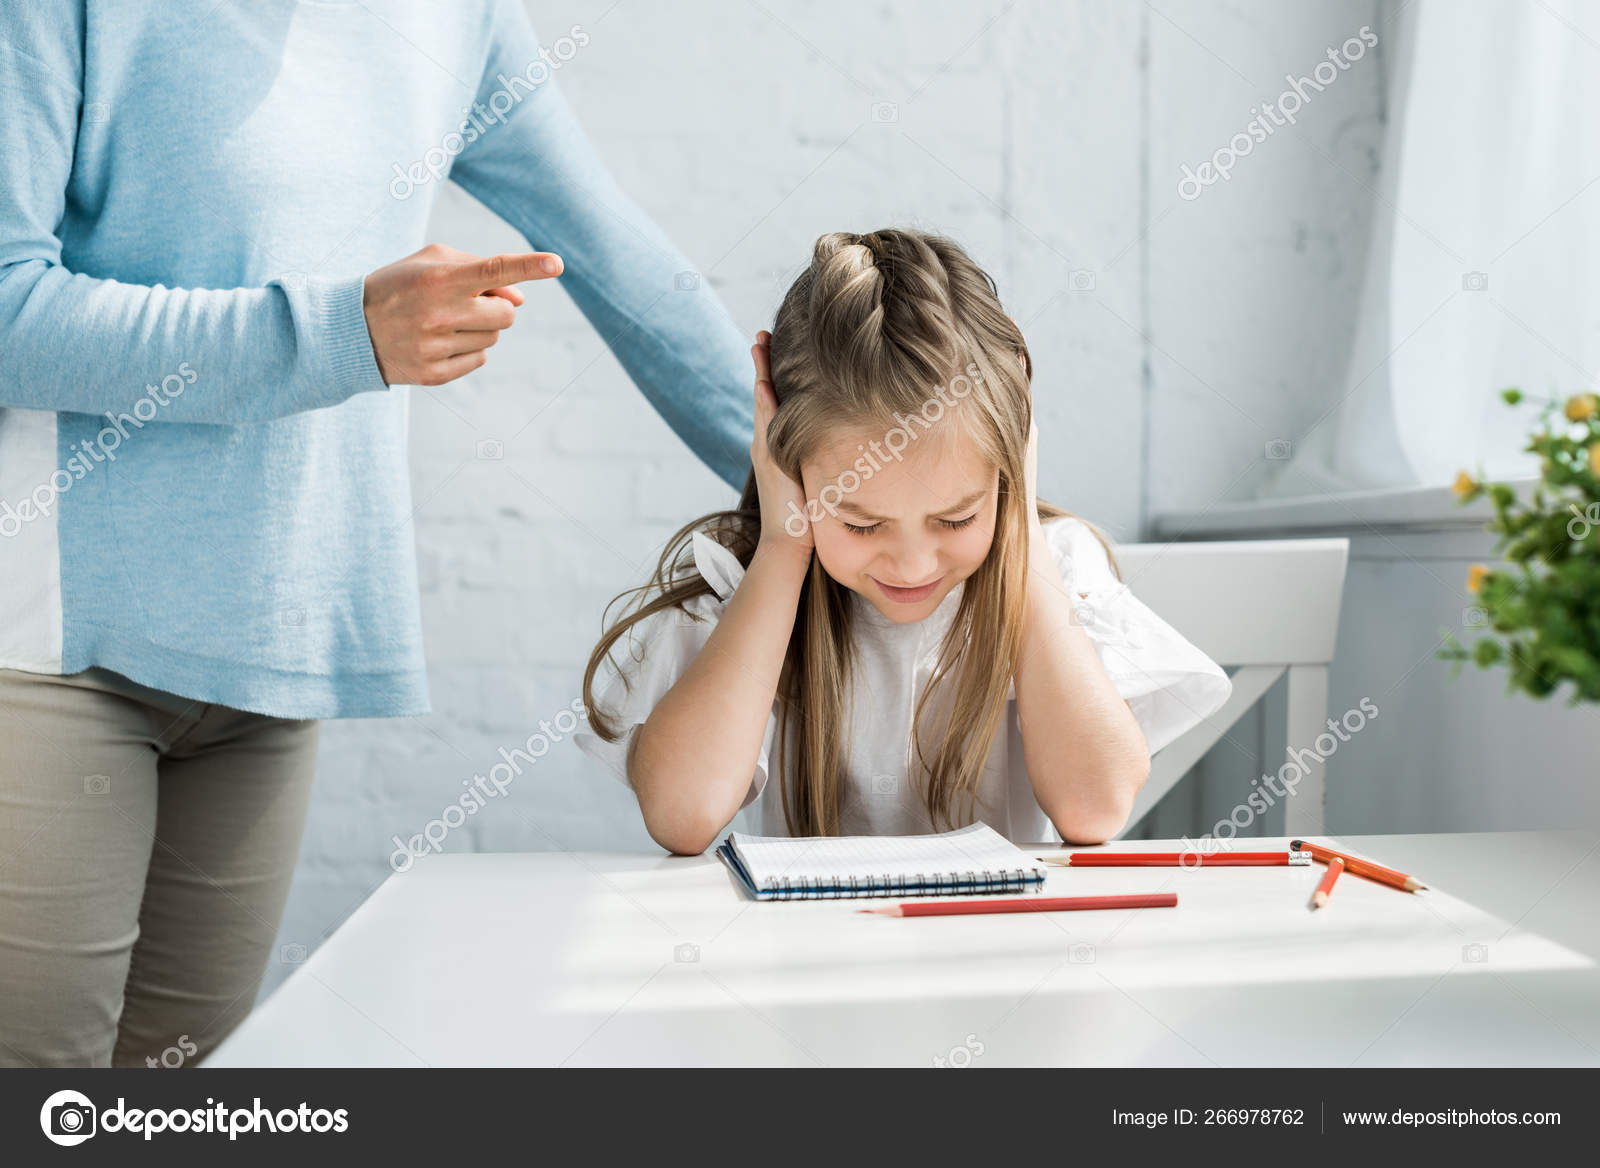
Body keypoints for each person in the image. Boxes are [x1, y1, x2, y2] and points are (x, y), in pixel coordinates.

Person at [0, 1, 750, 1067]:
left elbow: (609, 249)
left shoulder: (452, 17)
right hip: (48, 653)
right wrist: (338, 332)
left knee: (171, 1106)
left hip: (271, 653)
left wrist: (830, 483)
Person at [577, 229, 1232, 851]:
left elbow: (1096, 808)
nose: (914, 562)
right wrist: (783, 547)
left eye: (956, 519)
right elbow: (682, 816)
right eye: (861, 524)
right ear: (784, 460)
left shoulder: (1055, 566)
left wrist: (1019, 533)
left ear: (1011, 462)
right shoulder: (747, 586)